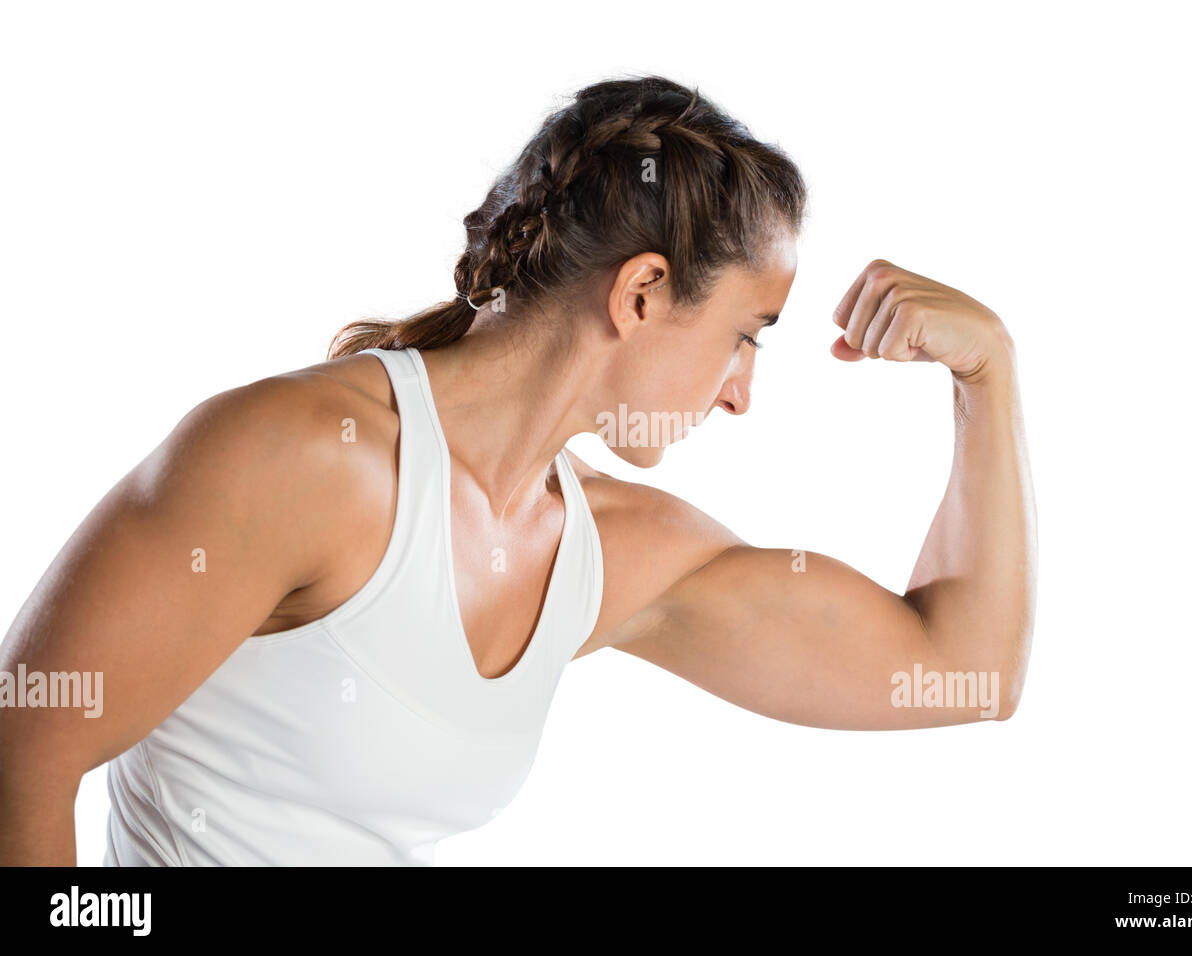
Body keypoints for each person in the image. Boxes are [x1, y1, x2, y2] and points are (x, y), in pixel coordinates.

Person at [0, 75, 1037, 865]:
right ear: (640, 293)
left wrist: (984, 373)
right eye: (744, 336)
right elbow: (23, 761)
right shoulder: (303, 460)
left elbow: (964, 668)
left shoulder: (618, 554)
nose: (739, 392)